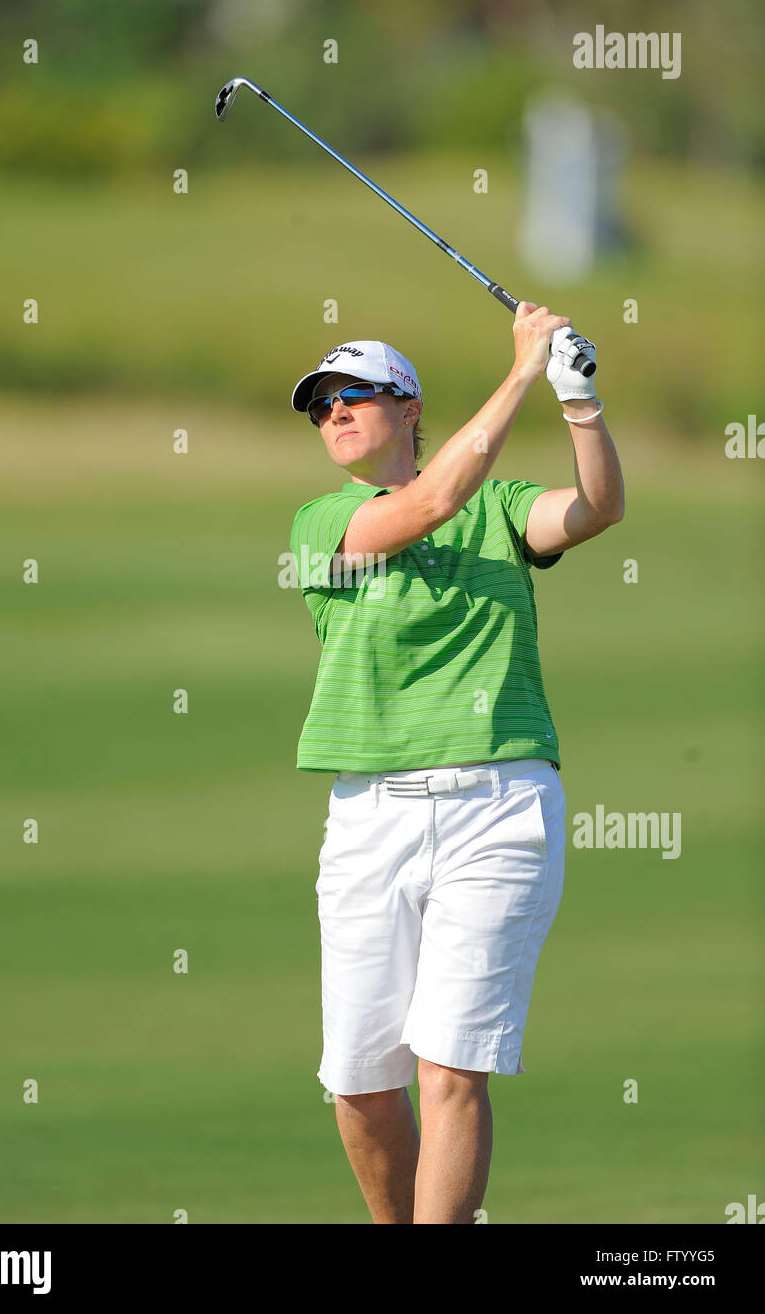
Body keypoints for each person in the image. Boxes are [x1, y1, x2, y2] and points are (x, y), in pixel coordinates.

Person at [287, 302, 624, 1224]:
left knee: (448, 1067)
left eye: (355, 396)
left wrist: (577, 399)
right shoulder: (321, 525)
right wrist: (520, 369)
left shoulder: (506, 507)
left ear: (409, 409)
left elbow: (596, 509)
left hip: (499, 806)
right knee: (358, 1082)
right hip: (369, 814)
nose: (335, 415)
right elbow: (432, 502)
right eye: (321, 407)